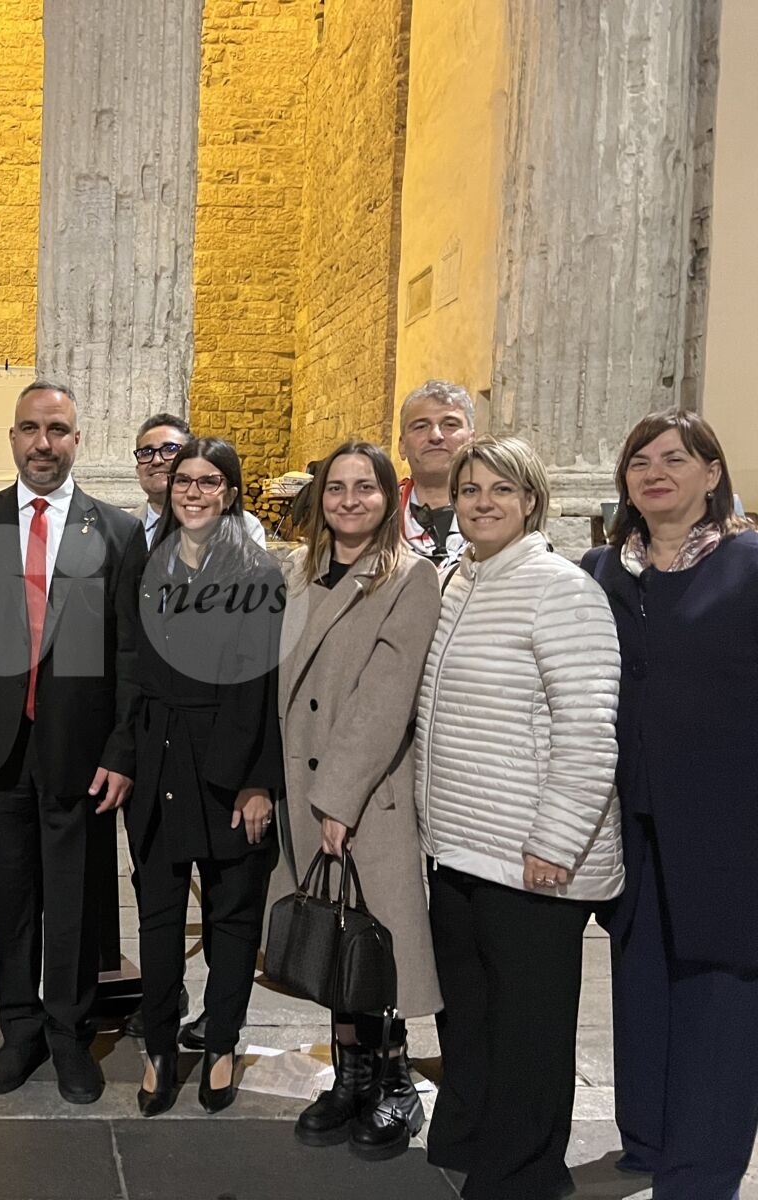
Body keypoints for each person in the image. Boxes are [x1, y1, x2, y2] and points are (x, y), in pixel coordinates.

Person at [415, 434, 622, 1200]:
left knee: (529, 1030)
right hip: (462, 845)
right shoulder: (460, 580)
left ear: (531, 499)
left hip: (530, 856)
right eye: (470, 491)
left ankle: (527, 1172)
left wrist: (557, 843)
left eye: (501, 490)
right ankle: (472, 1136)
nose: (483, 503)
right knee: (469, 1015)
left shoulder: (559, 588)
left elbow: (587, 724)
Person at [0, 379, 142, 1104]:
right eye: (29, 428)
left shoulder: (116, 531)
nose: (42, 443)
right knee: (12, 896)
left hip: (80, 753)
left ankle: (69, 1033)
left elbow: (132, 654)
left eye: (56, 430)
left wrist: (121, 750)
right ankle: (19, 1029)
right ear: (12, 438)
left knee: (77, 898)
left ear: (77, 440)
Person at [582, 410, 758, 1200]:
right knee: (641, 976)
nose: (654, 472)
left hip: (728, 815)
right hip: (632, 815)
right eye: (639, 460)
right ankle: (648, 1137)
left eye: (675, 459)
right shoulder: (602, 569)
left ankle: (705, 1165)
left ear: (712, 474)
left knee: (720, 988)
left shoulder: (750, 565)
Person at [270, 441, 441, 1159]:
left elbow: (383, 698)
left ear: (387, 496)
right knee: (334, 940)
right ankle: (350, 1075)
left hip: (364, 794)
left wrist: (336, 799)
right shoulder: (303, 571)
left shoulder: (409, 576)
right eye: (335, 488)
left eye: (362, 487)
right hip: (302, 789)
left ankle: (395, 1081)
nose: (347, 500)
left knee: (377, 942)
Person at [124, 437, 284, 1118]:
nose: (193, 490)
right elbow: (126, 662)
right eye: (184, 478)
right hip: (156, 754)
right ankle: (159, 1046)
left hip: (228, 759)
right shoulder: (144, 560)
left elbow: (263, 684)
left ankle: (221, 1042)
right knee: (159, 917)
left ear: (231, 491)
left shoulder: (258, 570)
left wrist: (256, 782)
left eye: (209, 481)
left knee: (232, 915)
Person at [132, 413, 267, 550]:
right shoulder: (123, 527)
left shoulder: (245, 527)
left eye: (169, 449)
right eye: (146, 452)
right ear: (137, 469)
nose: (157, 460)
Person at [396, 380, 475, 568]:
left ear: (472, 441)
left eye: (450, 424)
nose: (436, 436)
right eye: (421, 426)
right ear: (402, 445)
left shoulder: (499, 514)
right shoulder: (376, 515)